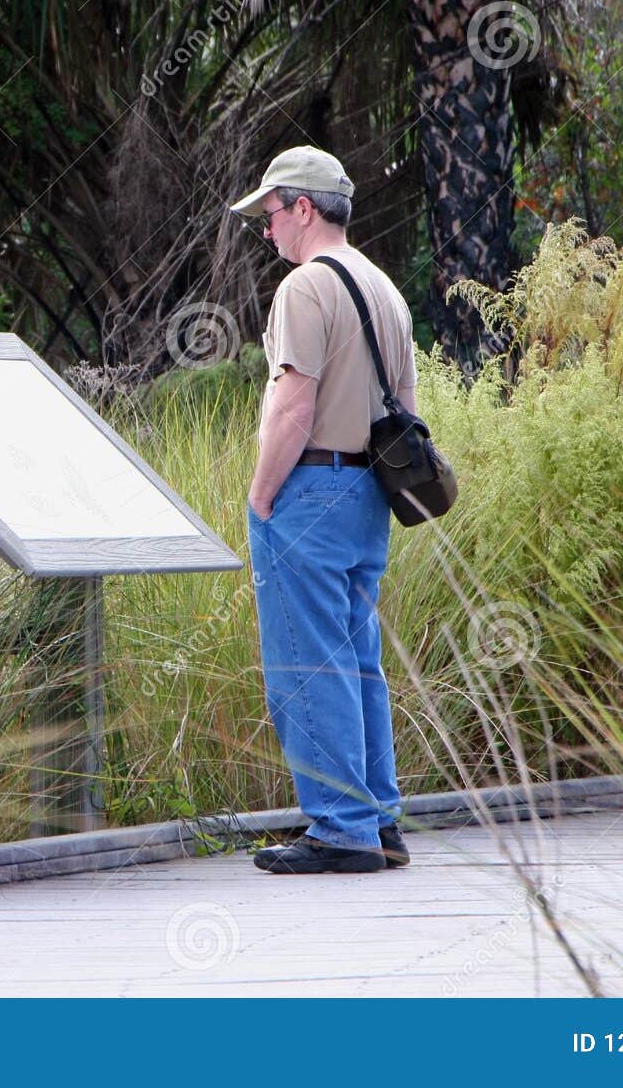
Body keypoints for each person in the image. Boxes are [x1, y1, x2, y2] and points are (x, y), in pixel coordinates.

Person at [227, 146, 418, 875]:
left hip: (310, 489)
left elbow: (292, 403)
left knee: (305, 663)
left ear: (303, 208)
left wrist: (261, 496)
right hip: (370, 491)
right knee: (358, 659)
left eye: (269, 214)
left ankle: (340, 826)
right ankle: (379, 818)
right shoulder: (386, 290)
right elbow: (407, 409)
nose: (266, 230)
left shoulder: (306, 288)